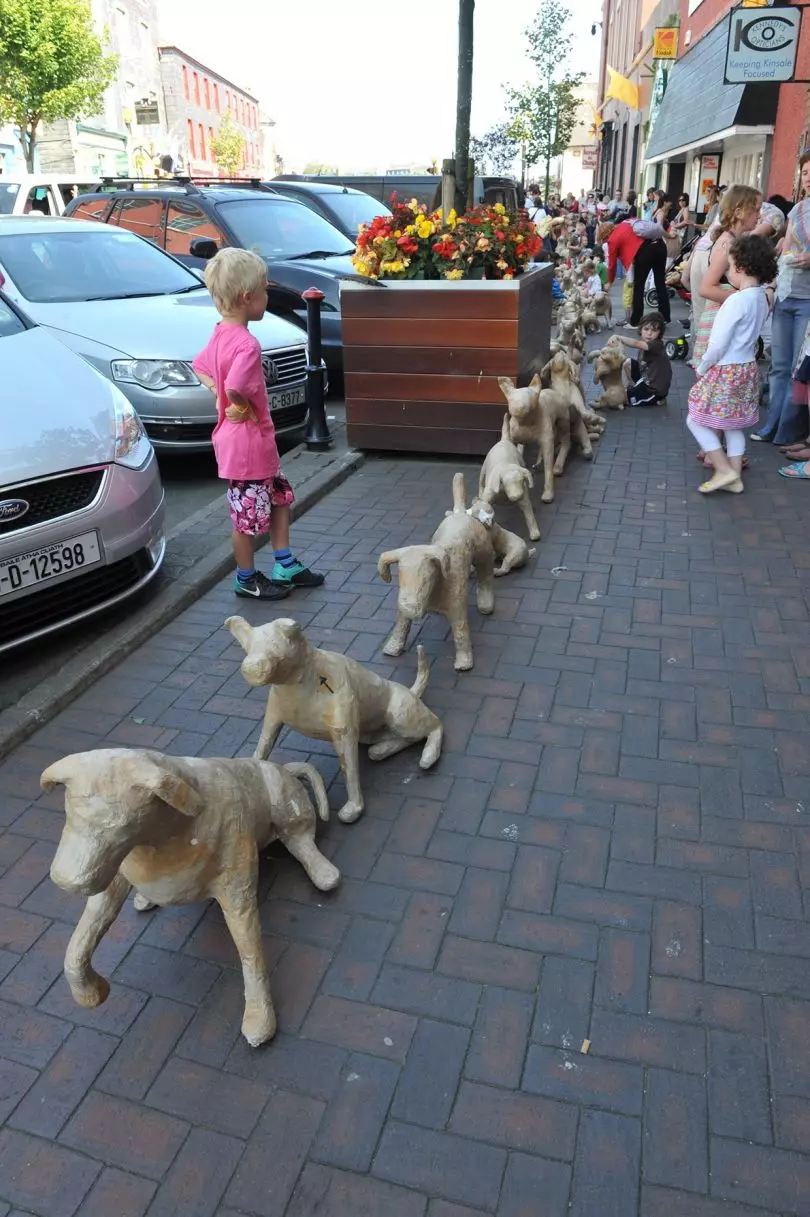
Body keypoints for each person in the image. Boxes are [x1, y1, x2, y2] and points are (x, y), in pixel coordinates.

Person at [192, 247, 324, 600]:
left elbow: (200, 366)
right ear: (248, 297)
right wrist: (234, 401)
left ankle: (284, 562)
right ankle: (245, 577)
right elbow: (236, 385)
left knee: (279, 499)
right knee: (247, 519)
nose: (268, 297)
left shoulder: (221, 332)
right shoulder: (247, 345)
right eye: (265, 291)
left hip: (251, 445)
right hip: (247, 448)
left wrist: (217, 394)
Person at [686, 234, 777, 493]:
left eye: (729, 266)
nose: (728, 273)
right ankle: (734, 475)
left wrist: (703, 366)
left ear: (741, 267)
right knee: (734, 424)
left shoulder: (735, 300)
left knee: (695, 419)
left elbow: (718, 342)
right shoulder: (761, 298)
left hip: (726, 369)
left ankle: (723, 469)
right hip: (747, 367)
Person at [752, 150, 810, 445]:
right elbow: (785, 250)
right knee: (779, 366)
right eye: (806, 172)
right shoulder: (797, 210)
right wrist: (773, 284)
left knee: (799, 371)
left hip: (808, 301)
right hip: (787, 295)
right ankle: (771, 425)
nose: (808, 178)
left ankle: (788, 431)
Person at [691, 184, 761, 368]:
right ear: (738, 212)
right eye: (755, 210)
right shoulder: (727, 245)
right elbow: (706, 288)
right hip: (718, 320)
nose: (759, 216)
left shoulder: (732, 242)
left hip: (723, 317)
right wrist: (741, 299)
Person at [602, 214, 671, 326]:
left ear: (605, 235)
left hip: (645, 252)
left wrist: (610, 281)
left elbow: (612, 264)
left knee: (638, 287)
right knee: (660, 284)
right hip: (660, 245)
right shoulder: (627, 222)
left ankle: (636, 321)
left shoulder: (612, 239)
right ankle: (665, 317)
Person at [619, 311, 672, 407]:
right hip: (647, 379)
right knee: (628, 362)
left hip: (654, 390)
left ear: (660, 332)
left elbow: (635, 343)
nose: (649, 333)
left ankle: (658, 399)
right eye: (646, 329)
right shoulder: (646, 344)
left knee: (624, 399)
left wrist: (619, 338)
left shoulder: (656, 344)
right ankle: (630, 388)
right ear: (641, 329)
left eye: (654, 330)